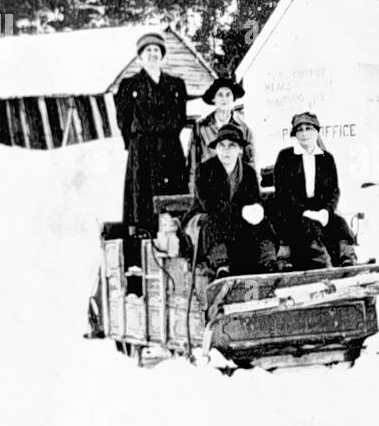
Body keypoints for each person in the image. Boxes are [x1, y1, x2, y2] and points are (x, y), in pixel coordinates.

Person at [113, 32, 191, 231]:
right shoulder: (129, 85)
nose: (153, 54)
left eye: (157, 50)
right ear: (140, 56)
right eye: (148, 50)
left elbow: (180, 117)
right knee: (143, 200)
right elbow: (123, 120)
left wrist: (165, 132)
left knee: (173, 199)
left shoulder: (176, 85)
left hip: (170, 148)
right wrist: (134, 143)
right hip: (143, 151)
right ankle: (143, 246)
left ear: (162, 55)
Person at [273, 112, 358, 269]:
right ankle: (325, 265)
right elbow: (284, 193)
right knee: (308, 228)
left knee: (340, 224)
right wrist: (305, 212)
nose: (304, 133)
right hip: (293, 214)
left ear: (317, 132)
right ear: (295, 134)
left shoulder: (326, 158)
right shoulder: (285, 157)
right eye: (300, 130)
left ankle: (347, 260)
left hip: (320, 212)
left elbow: (334, 191)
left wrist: (326, 211)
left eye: (308, 129)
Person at [194, 122, 277, 278]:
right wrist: (242, 211)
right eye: (222, 146)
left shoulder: (248, 172)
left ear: (239, 149)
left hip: (237, 220)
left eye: (231, 146)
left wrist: (256, 209)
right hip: (207, 218)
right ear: (216, 148)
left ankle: (269, 262)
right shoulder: (204, 170)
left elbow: (254, 199)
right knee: (213, 221)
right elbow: (210, 204)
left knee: (263, 222)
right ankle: (221, 266)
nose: (226, 150)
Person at [189, 76, 255, 176]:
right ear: (213, 99)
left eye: (228, 95)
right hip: (208, 185)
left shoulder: (244, 130)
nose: (224, 99)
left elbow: (251, 165)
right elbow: (192, 167)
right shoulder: (200, 128)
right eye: (220, 95)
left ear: (234, 98)